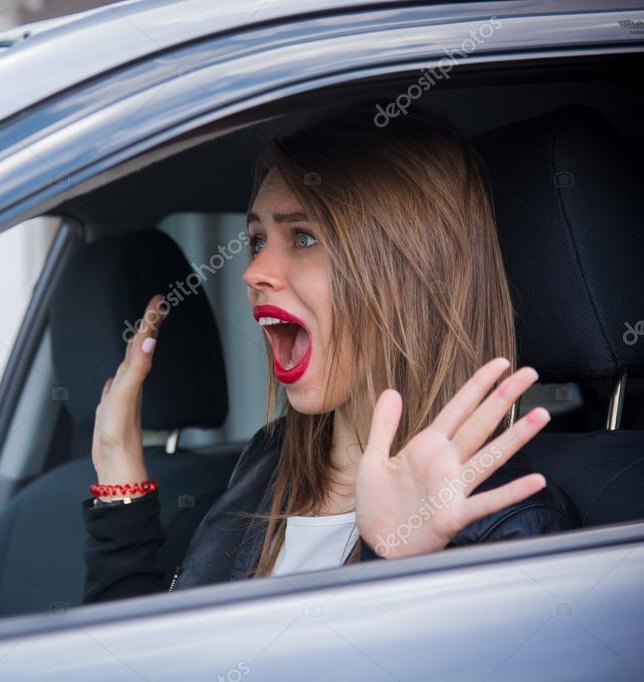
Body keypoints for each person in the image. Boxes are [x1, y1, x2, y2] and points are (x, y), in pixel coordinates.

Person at [81, 109, 578, 603]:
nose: (253, 271)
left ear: (408, 274)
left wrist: (400, 561)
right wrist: (119, 478)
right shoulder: (267, 463)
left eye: (303, 237)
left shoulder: (507, 521)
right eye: (257, 240)